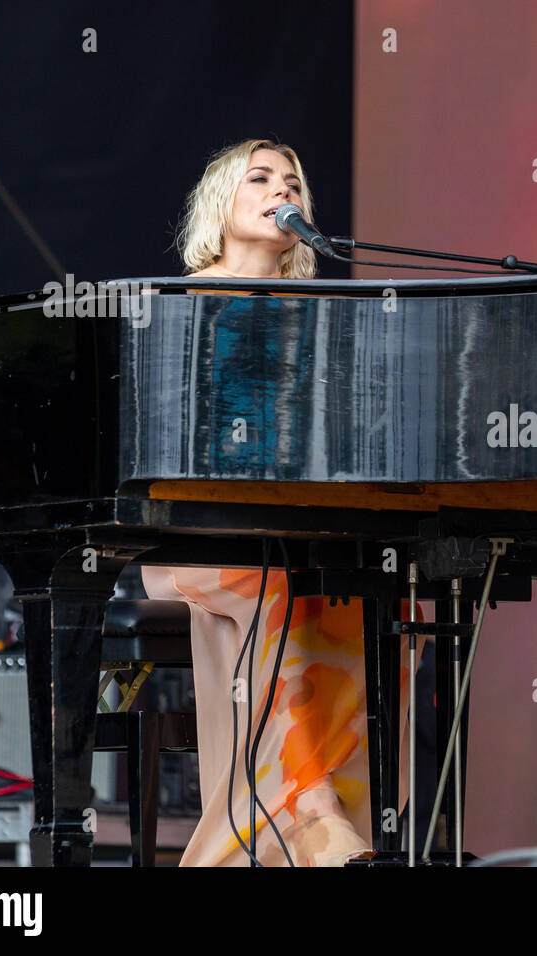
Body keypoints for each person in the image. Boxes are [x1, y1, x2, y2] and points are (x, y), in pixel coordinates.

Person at [141, 139, 419, 866]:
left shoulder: (324, 309)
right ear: (221, 204)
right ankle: (315, 814)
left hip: (294, 531)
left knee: (364, 596)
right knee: (285, 588)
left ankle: (333, 815)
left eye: (291, 181)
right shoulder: (183, 301)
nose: (278, 188)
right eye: (259, 177)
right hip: (195, 539)